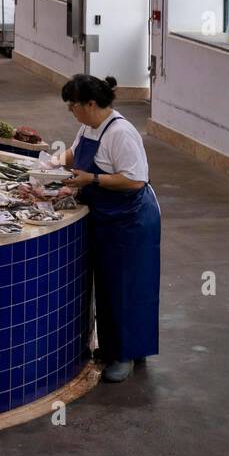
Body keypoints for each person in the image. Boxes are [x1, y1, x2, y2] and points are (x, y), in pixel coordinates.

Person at [57, 74, 161, 383]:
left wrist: (92, 180)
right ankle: (118, 345)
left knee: (128, 288)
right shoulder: (89, 126)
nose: (71, 111)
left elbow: (134, 180)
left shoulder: (121, 133)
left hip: (131, 220)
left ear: (90, 104)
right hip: (107, 218)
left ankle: (125, 355)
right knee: (108, 286)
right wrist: (52, 164)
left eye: (72, 106)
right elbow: (75, 153)